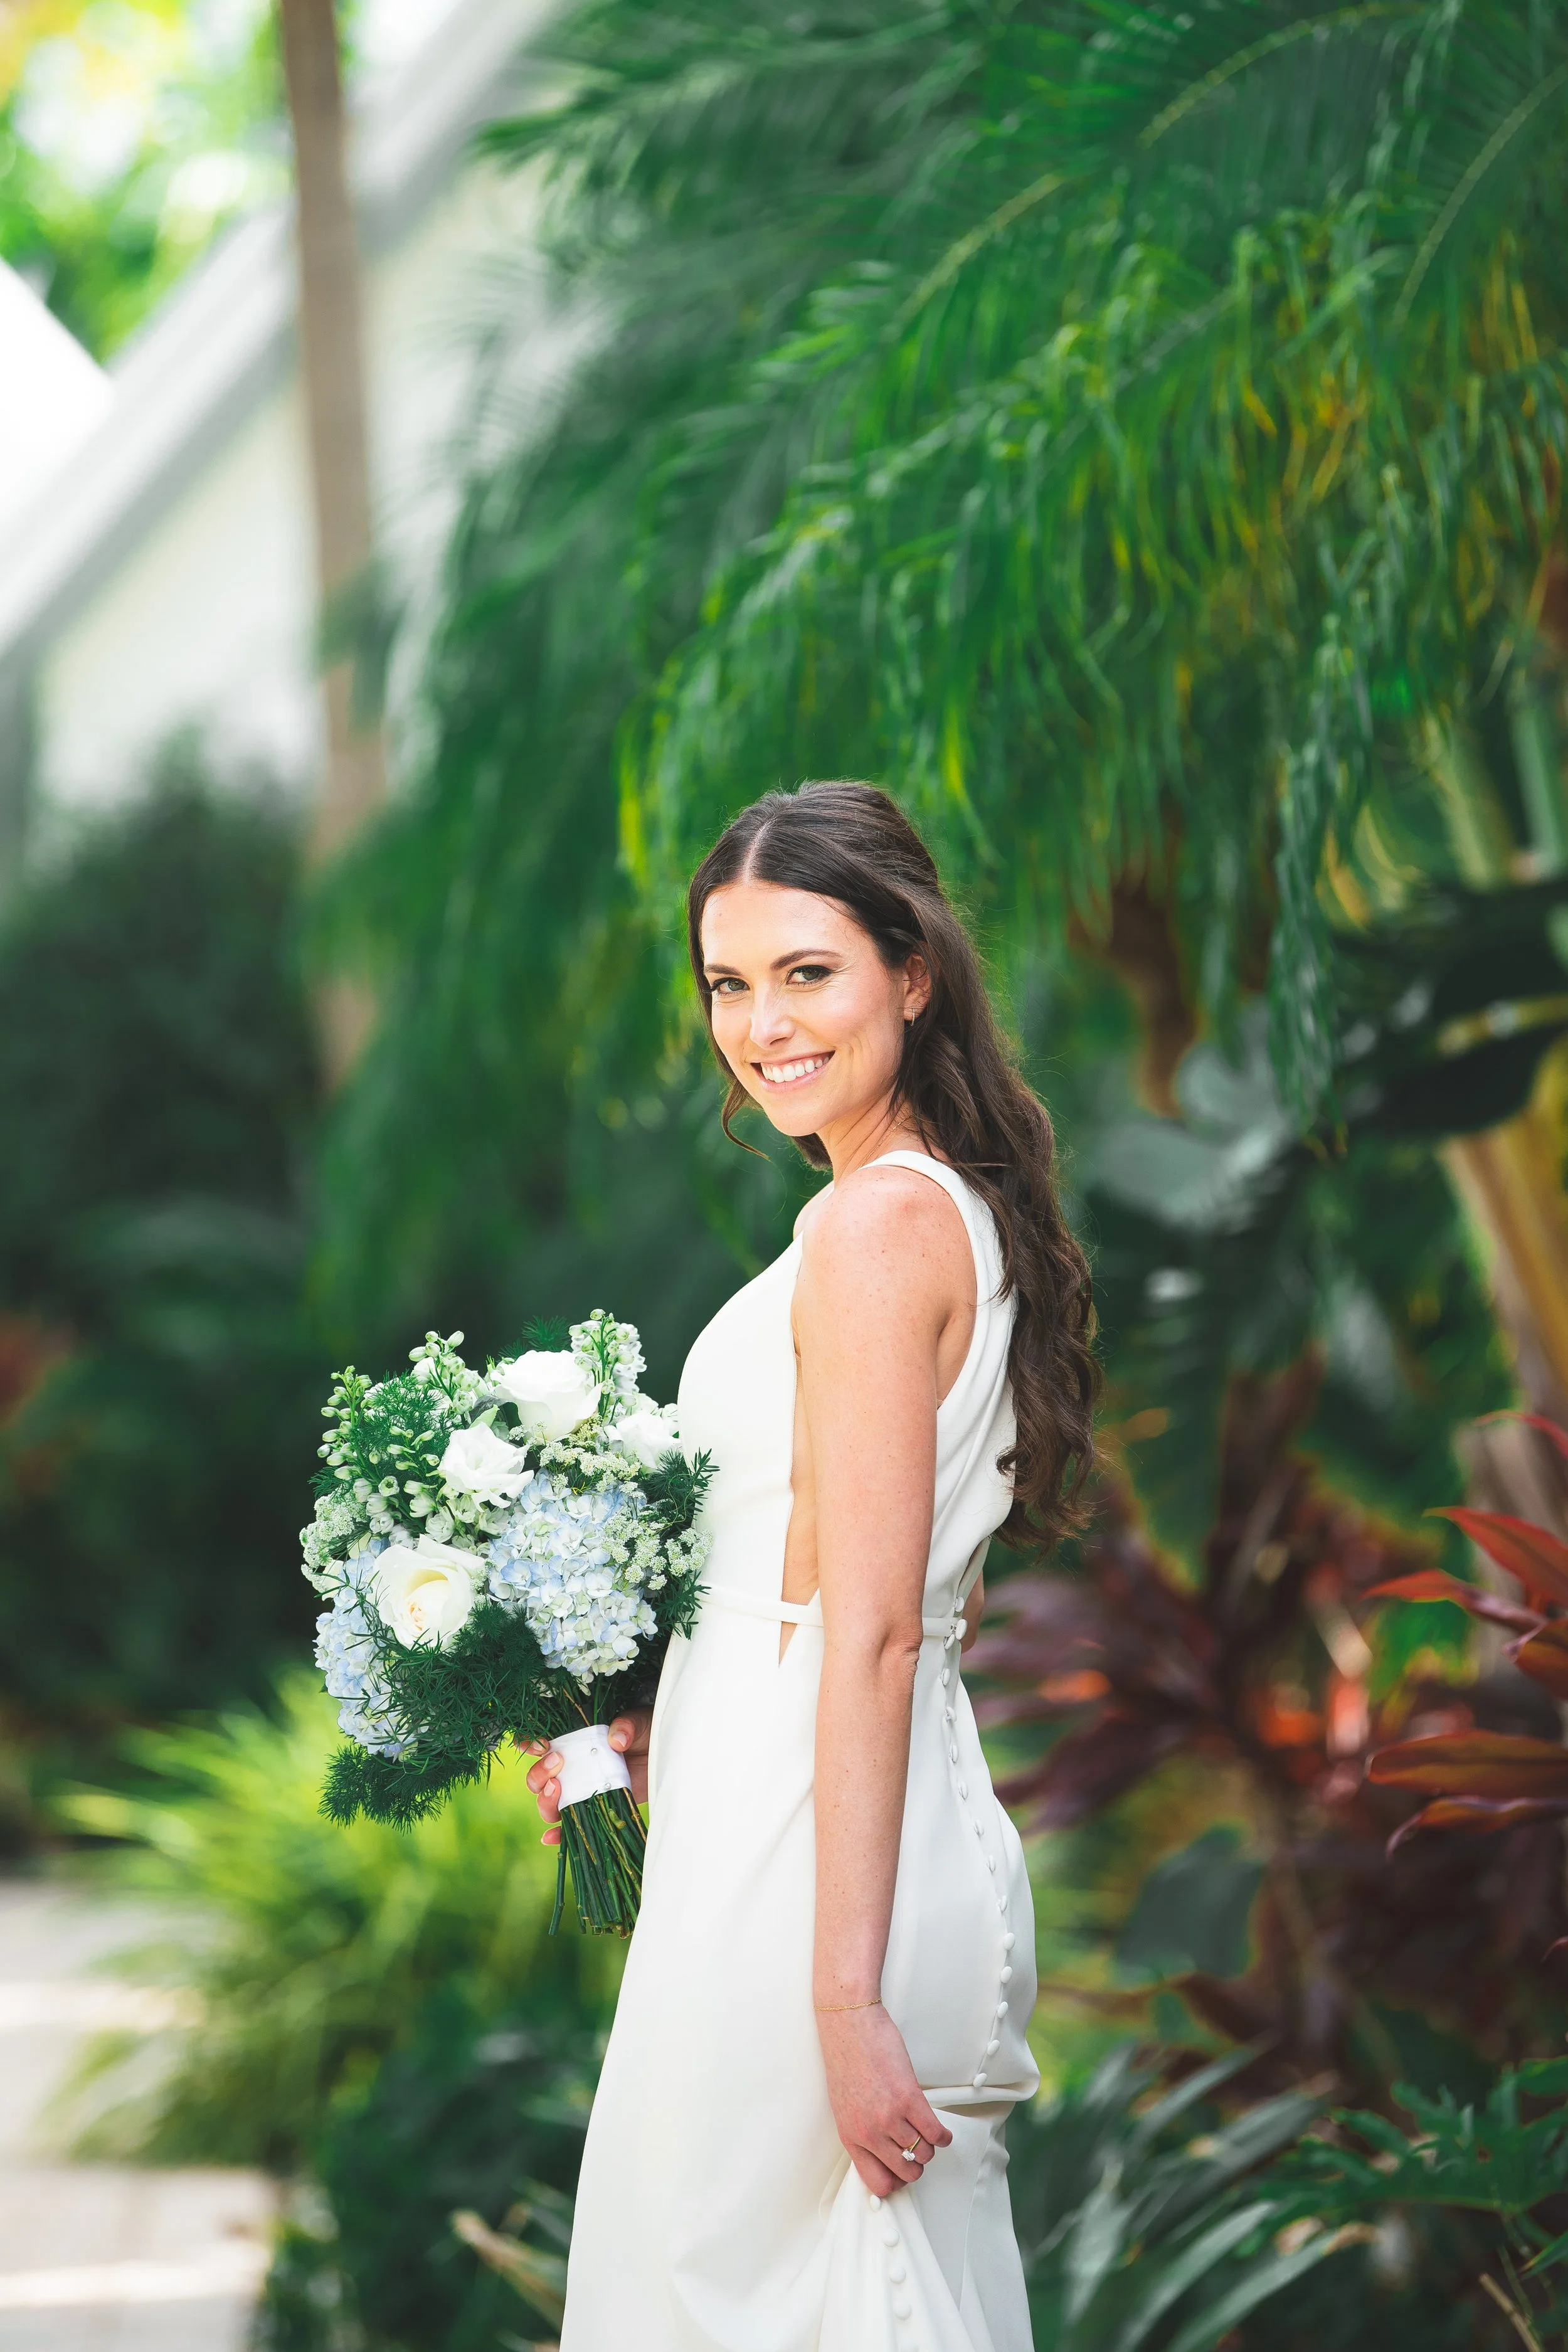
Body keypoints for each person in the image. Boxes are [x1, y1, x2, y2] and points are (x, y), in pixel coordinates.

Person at [529, 781, 1097, 2350]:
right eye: (728, 982)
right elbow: (912, 1594)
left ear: (910, 974)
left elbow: (874, 1634)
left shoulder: (868, 1237)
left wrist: (841, 2004)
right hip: (843, 1809)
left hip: (809, 1874)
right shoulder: (924, 1215)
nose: (760, 1024)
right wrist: (669, 1713)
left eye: (806, 972)